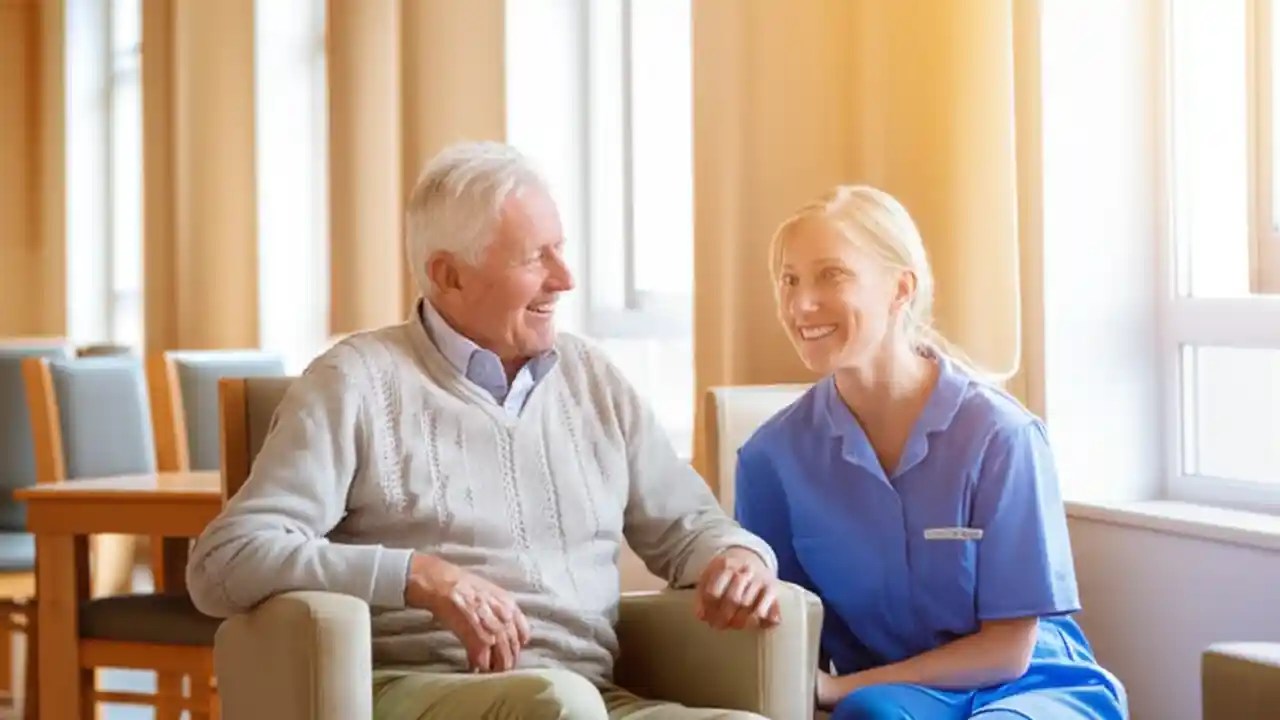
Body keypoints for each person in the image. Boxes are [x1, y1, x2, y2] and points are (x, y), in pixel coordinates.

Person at [187, 141, 783, 719]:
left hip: (592, 696)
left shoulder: (593, 378)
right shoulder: (355, 381)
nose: (565, 277)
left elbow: (689, 528)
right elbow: (225, 561)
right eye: (534, 257)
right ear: (449, 276)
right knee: (560, 704)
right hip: (418, 689)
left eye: (561, 249)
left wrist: (736, 558)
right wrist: (417, 575)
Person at [734, 185, 1128, 719]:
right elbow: (788, 631)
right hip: (894, 697)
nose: (801, 304)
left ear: (900, 289)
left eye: (831, 275)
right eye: (789, 280)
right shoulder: (770, 459)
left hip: (1033, 686)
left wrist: (837, 689)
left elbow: (1009, 649)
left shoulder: (1001, 437)